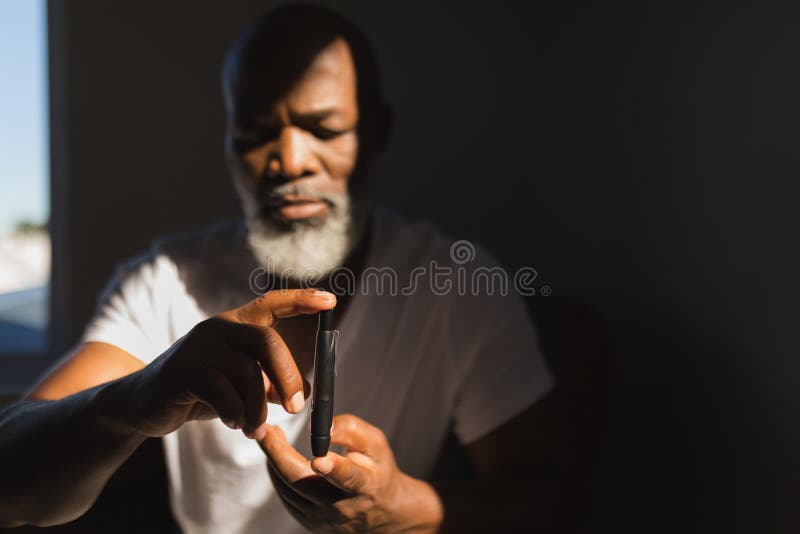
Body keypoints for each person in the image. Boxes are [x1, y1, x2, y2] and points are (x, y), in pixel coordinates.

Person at [0, 4, 578, 532]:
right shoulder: (165, 281)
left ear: (378, 133)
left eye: (324, 130)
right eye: (255, 133)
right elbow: (13, 485)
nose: (289, 161)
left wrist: (410, 511)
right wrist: (134, 399)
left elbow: (552, 499)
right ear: (228, 144)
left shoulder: (457, 284)